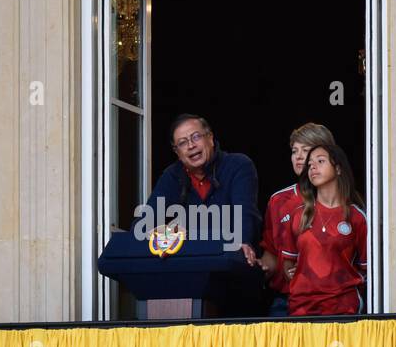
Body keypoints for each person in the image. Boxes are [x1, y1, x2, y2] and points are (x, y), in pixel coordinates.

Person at [146, 114, 262, 260]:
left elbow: (245, 213)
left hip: (229, 261)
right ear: (177, 152)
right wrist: (165, 234)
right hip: (189, 266)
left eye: (196, 137)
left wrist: (244, 242)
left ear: (210, 138)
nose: (191, 145)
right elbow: (144, 224)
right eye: (182, 143)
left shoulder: (238, 165)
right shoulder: (172, 176)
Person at [278, 143, 368, 316]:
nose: (313, 167)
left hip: (343, 308)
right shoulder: (299, 215)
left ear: (338, 169)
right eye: (310, 164)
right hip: (302, 308)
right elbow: (288, 264)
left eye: (320, 161)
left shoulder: (356, 217)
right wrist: (300, 275)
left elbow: (367, 269)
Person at [257, 123, 336, 316]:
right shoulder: (279, 201)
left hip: (334, 302)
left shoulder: (344, 202)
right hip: (286, 302)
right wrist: (259, 265)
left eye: (306, 150)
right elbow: (271, 253)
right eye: (294, 151)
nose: (299, 156)